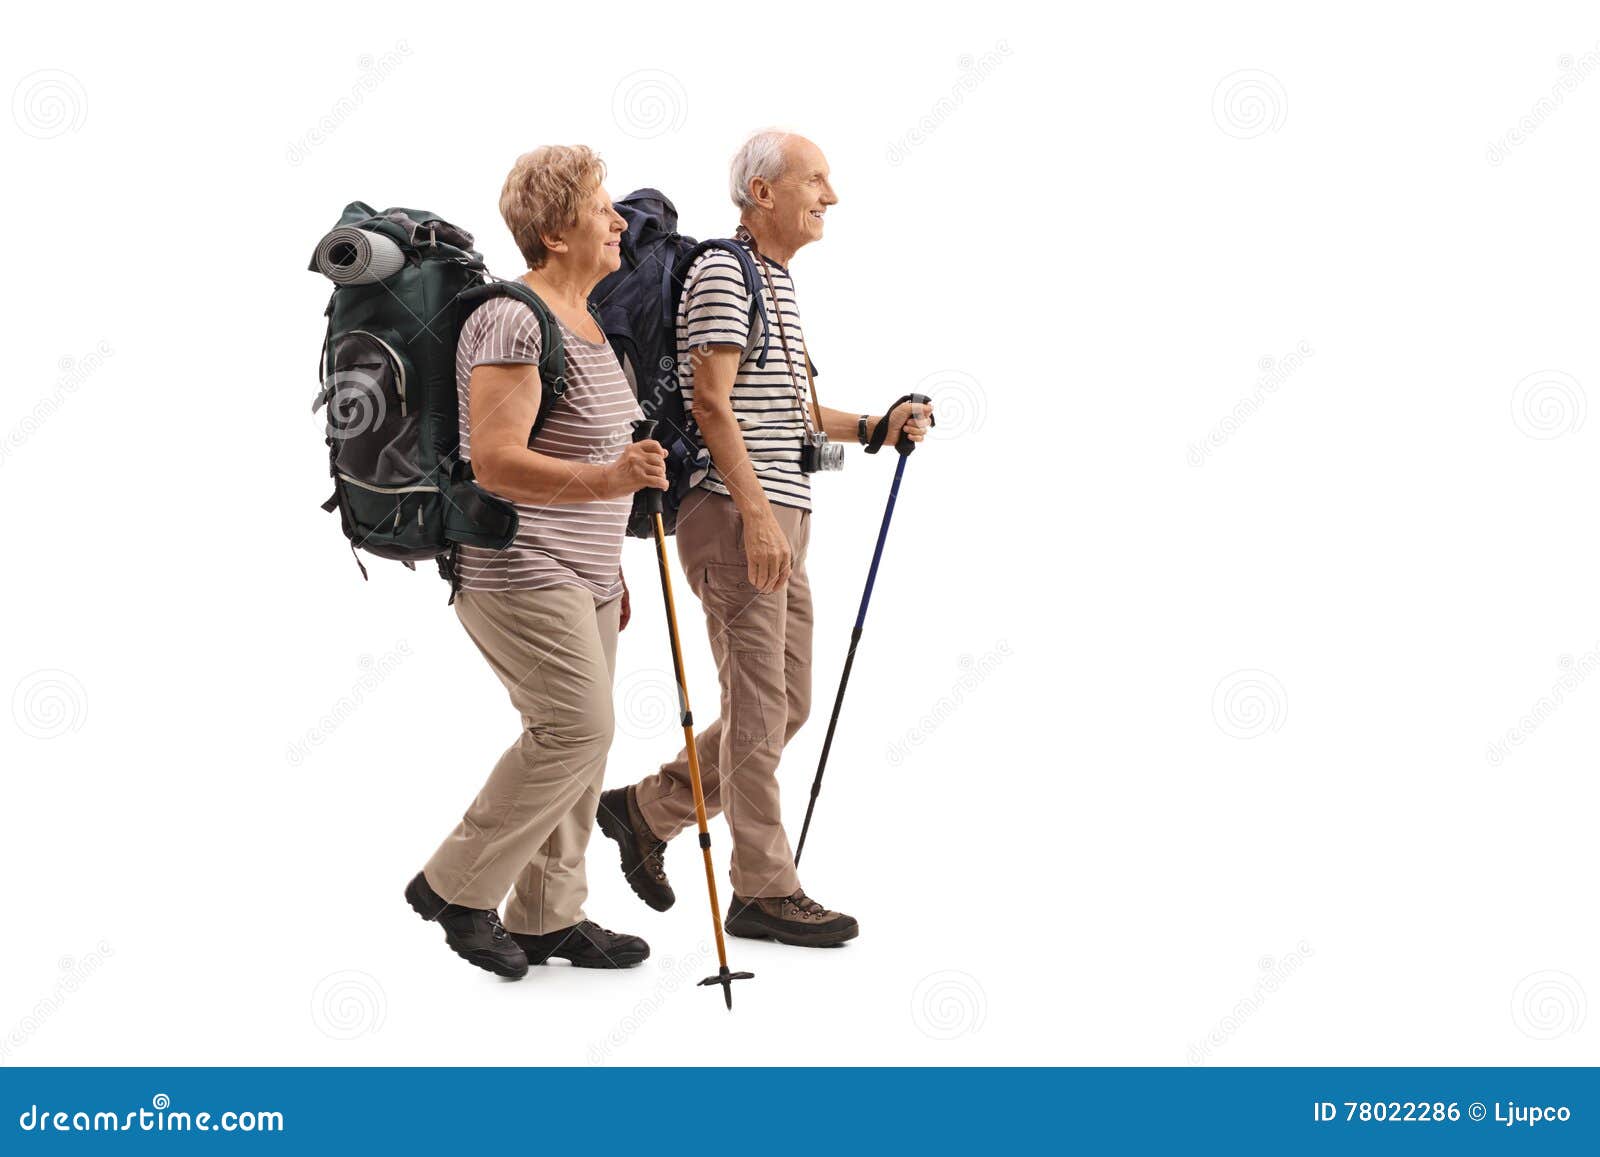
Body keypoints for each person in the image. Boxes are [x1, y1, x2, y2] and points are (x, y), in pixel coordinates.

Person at [598, 130, 932, 947]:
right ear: (762, 194)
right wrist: (752, 514)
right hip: (736, 514)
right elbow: (711, 402)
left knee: (784, 703)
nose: (832, 194)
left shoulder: (772, 281)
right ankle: (763, 888)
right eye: (816, 178)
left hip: (777, 515)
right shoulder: (724, 269)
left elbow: (788, 409)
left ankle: (645, 809)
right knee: (757, 709)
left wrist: (876, 427)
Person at [405, 145, 668, 978]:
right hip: (518, 570)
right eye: (600, 207)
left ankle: (550, 914)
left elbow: (583, 450)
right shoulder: (513, 319)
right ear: (556, 231)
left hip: (585, 575)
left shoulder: (589, 322)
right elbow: (495, 460)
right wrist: (612, 476)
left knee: (582, 741)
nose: (619, 219)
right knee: (575, 727)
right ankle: (455, 884)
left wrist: (611, 564)